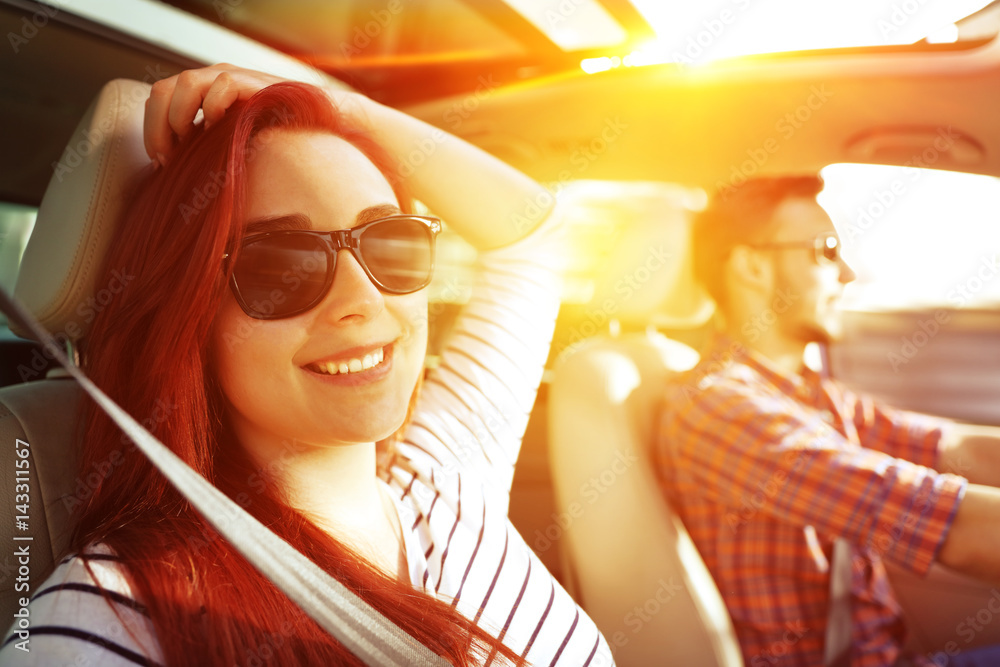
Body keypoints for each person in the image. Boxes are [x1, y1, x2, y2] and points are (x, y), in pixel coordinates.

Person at [0, 65, 613, 666]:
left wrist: (337, 108)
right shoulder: (109, 619)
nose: (362, 300)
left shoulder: (448, 475)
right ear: (187, 319)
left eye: (391, 242)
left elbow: (534, 239)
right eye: (280, 265)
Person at [655, 175, 1000, 667]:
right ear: (752, 265)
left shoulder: (805, 393)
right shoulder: (718, 409)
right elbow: (932, 516)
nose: (848, 273)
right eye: (825, 249)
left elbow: (954, 449)